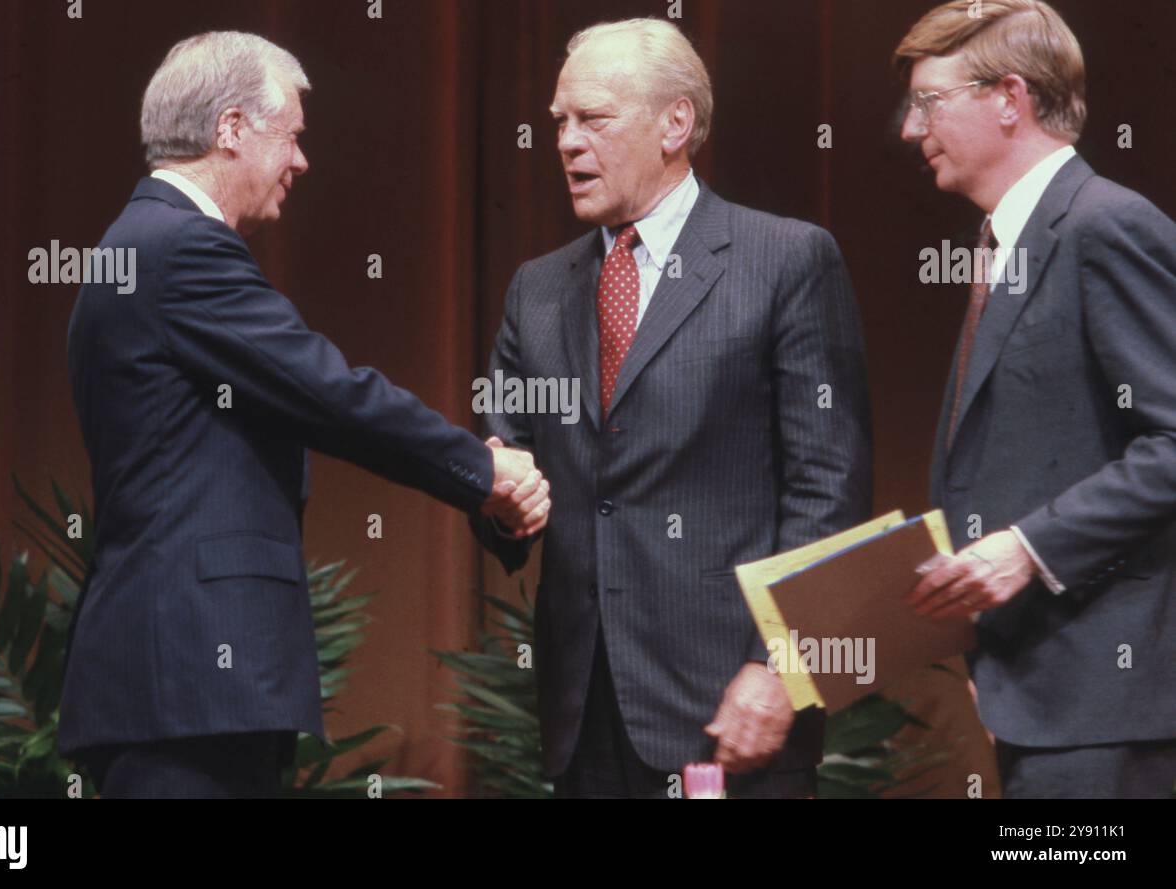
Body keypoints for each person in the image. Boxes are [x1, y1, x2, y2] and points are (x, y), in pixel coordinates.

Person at [58, 31, 548, 798]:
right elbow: (333, 394)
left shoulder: (134, 244)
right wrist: (483, 469)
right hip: (190, 684)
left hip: (171, 683)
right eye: (291, 136)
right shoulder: (182, 248)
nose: (301, 161)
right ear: (231, 129)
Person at [474, 18, 872, 798]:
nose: (565, 141)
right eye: (559, 121)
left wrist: (780, 670)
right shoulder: (538, 289)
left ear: (675, 123)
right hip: (583, 720)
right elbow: (507, 480)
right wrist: (494, 492)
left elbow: (829, 495)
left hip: (735, 713)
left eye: (592, 118)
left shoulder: (785, 260)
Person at [899, 0, 1176, 798]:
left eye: (929, 103)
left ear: (1009, 99)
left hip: (1110, 710)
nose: (913, 130)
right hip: (1041, 698)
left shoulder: (1106, 226)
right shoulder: (1006, 243)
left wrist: (1025, 549)